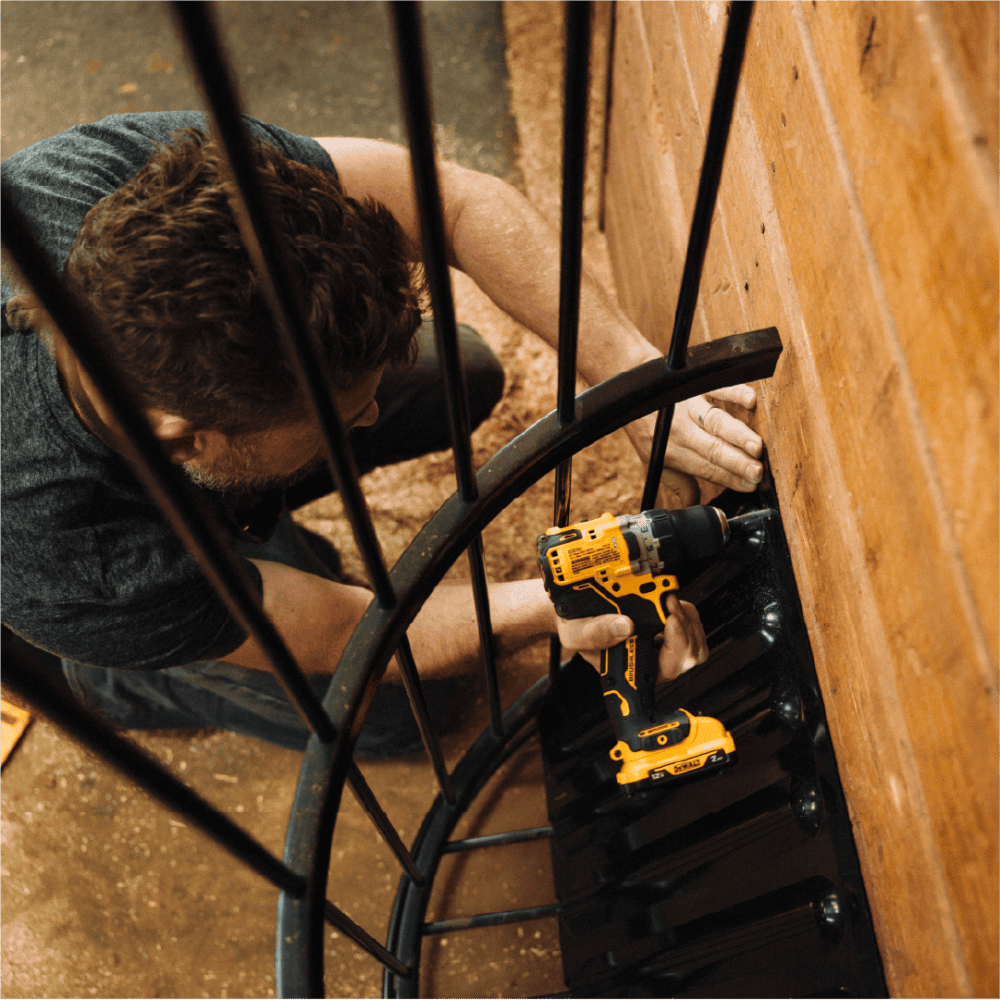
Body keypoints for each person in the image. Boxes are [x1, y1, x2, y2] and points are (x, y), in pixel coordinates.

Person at [1, 112, 763, 753]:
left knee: (463, 374)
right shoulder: (81, 564)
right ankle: (119, 681)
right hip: (85, 570)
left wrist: (629, 373)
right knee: (408, 717)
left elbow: (454, 203)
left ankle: (256, 507)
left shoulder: (136, 186)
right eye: (340, 420)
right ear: (183, 437)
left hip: (163, 461)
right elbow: (340, 631)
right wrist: (560, 604)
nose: (368, 418)